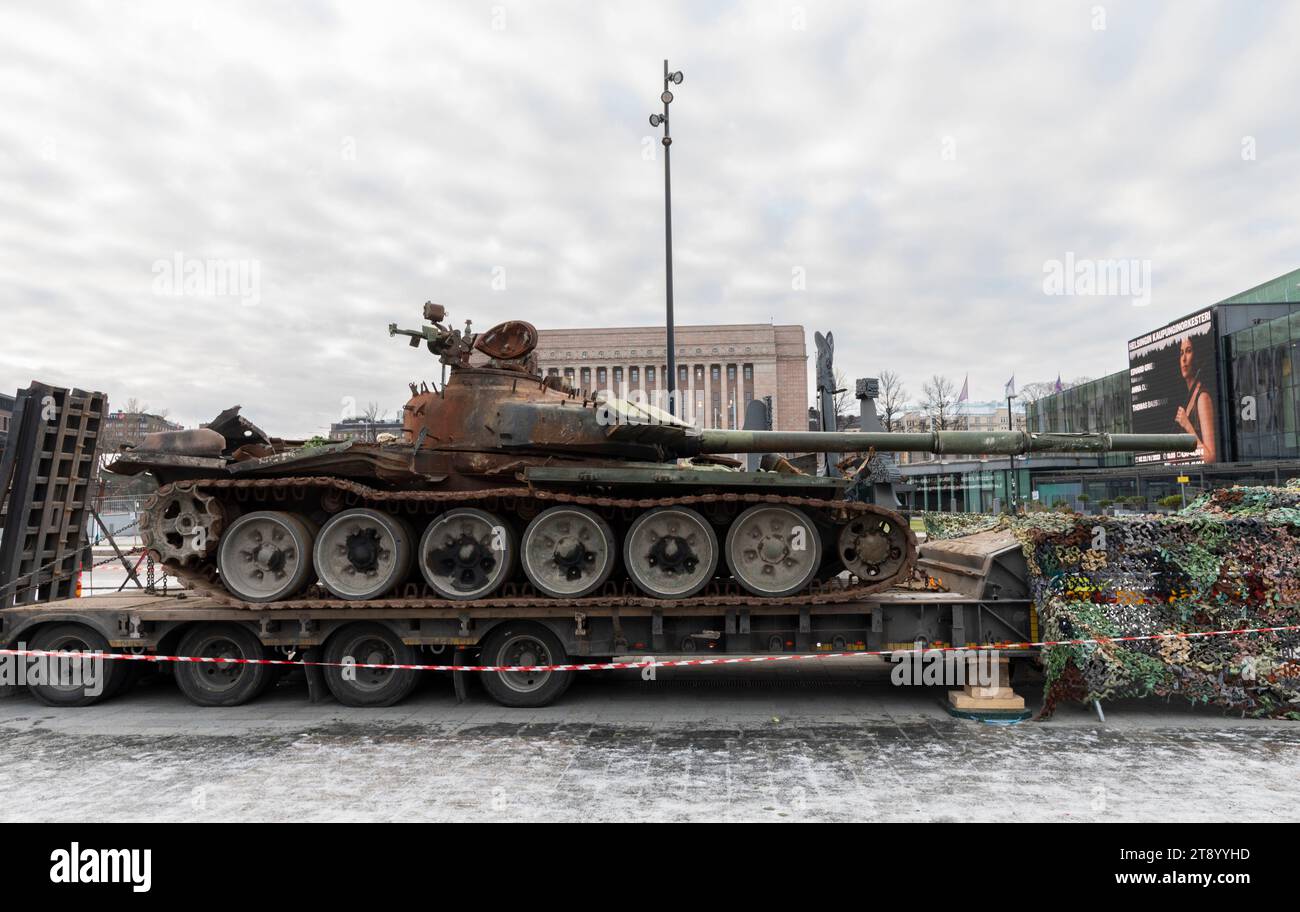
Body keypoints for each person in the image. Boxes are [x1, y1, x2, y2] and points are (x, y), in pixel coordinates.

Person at [1174, 336, 1217, 463]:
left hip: (1204, 479)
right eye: (1181, 353)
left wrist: (1187, 426)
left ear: (1197, 355)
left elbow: (1210, 458)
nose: (1183, 359)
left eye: (1188, 351)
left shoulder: (1202, 398)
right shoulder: (1188, 398)